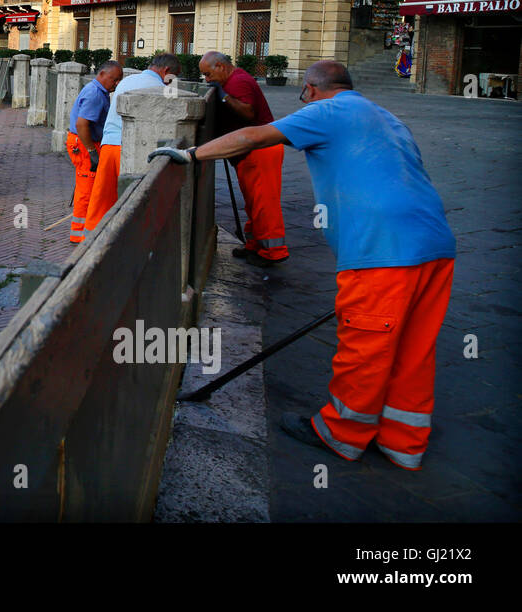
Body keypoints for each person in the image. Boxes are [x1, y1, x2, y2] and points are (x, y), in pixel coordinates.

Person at [149, 60, 456, 470]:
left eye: (303, 95)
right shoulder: (385, 115)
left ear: (311, 89)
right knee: (414, 348)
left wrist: (190, 153)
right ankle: (404, 443)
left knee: (365, 345)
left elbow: (253, 136)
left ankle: (342, 434)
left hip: (382, 249)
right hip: (435, 244)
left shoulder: (330, 110)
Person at [199, 50, 289, 264]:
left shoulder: (238, 82)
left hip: (260, 150)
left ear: (220, 66)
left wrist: (223, 95)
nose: (207, 79)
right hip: (251, 151)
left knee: (264, 202)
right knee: (253, 202)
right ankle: (254, 245)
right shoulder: (234, 80)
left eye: (208, 74)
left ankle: (273, 252)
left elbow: (248, 113)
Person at [83, 53, 181, 230]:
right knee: (129, 198)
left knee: (102, 197)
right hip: (128, 148)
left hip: (108, 145)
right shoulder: (159, 87)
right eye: (173, 76)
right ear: (166, 71)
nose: (172, 81)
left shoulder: (128, 81)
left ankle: (89, 237)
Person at [65, 60, 124, 243]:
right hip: (84, 144)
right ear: (102, 74)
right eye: (114, 80)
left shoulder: (98, 91)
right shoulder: (95, 95)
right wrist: (92, 152)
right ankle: (79, 236)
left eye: (118, 81)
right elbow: (82, 124)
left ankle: (83, 231)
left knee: (88, 188)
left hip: (83, 143)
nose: (116, 84)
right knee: (87, 190)